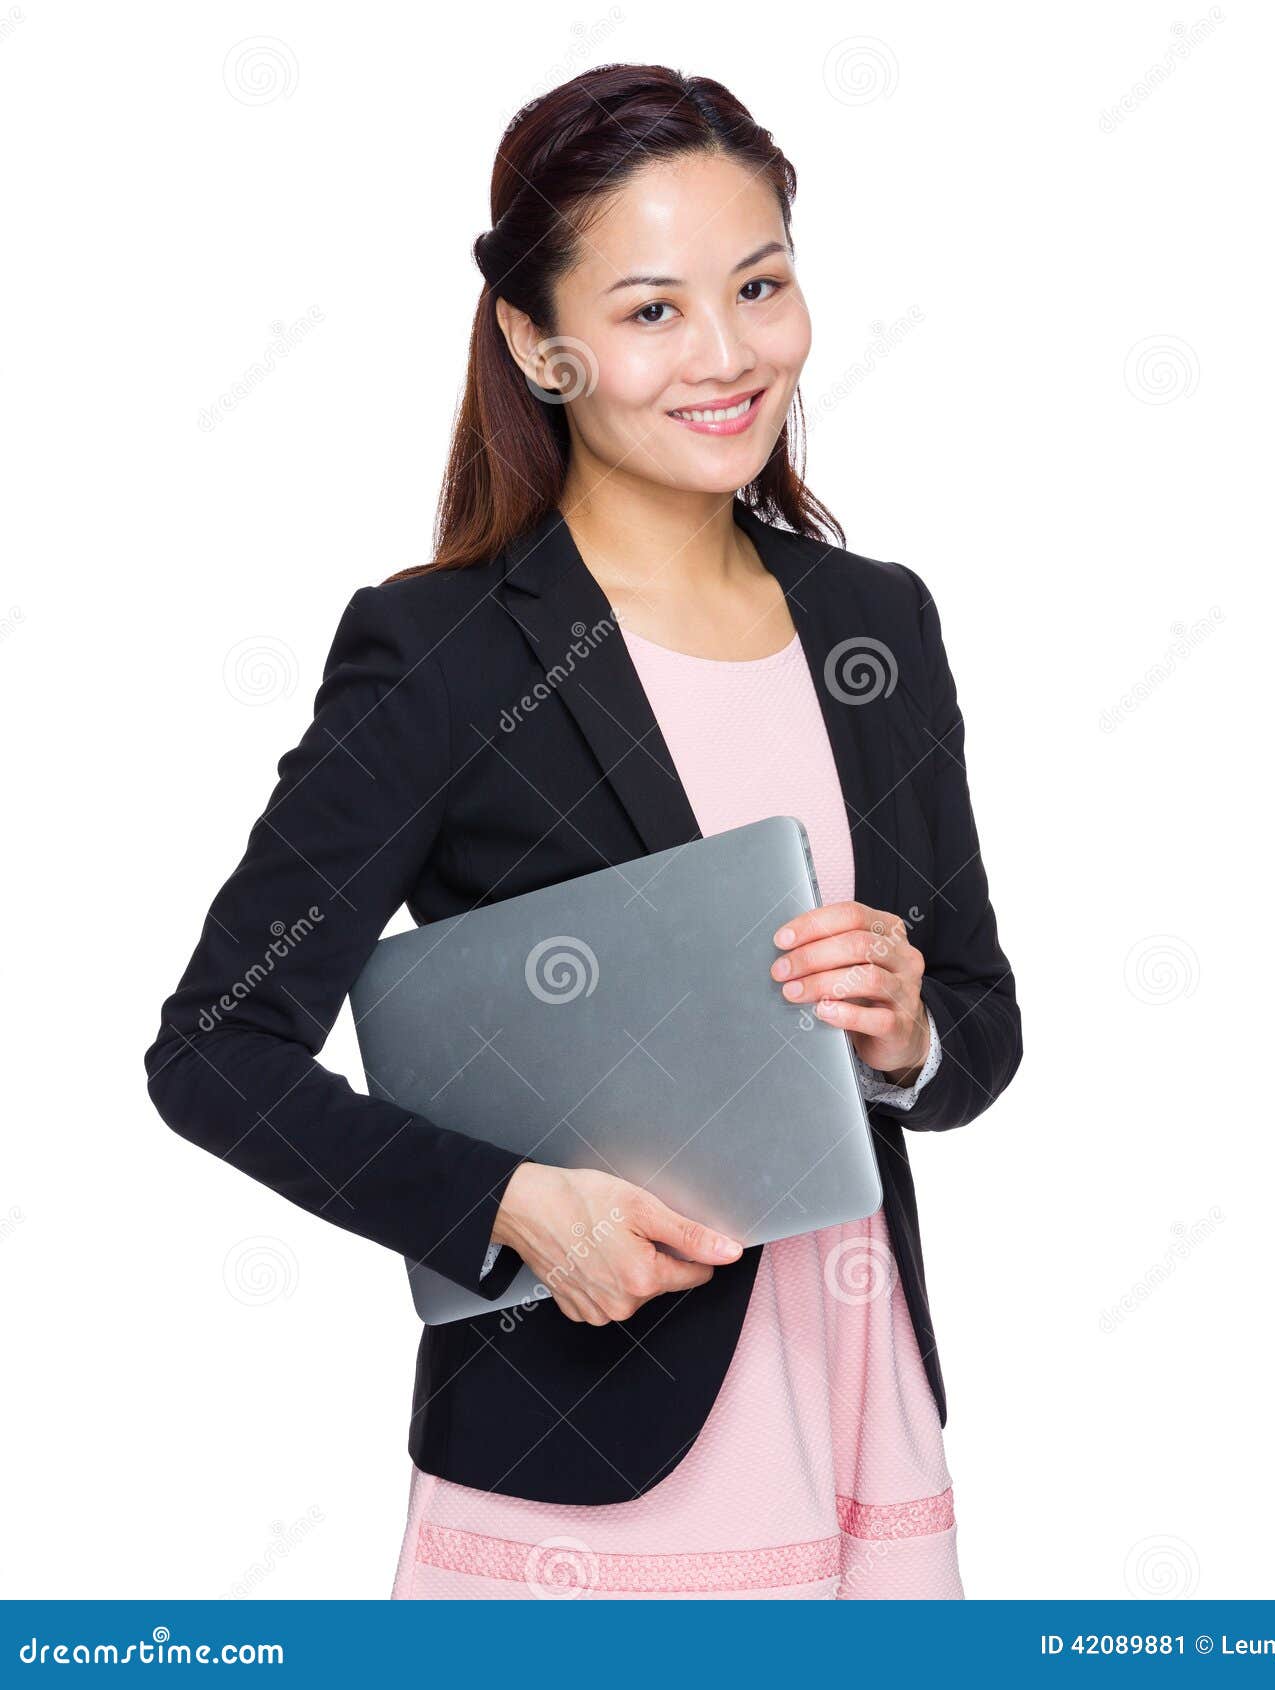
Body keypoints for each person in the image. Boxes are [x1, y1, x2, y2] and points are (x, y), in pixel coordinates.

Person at [144, 62, 1023, 1600]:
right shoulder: (446, 654)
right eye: (651, 310)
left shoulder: (875, 623)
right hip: (588, 1478)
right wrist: (508, 1210)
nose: (730, 354)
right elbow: (215, 1049)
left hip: (866, 1414)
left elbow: (982, 1032)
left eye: (760, 284)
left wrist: (906, 1037)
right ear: (539, 345)